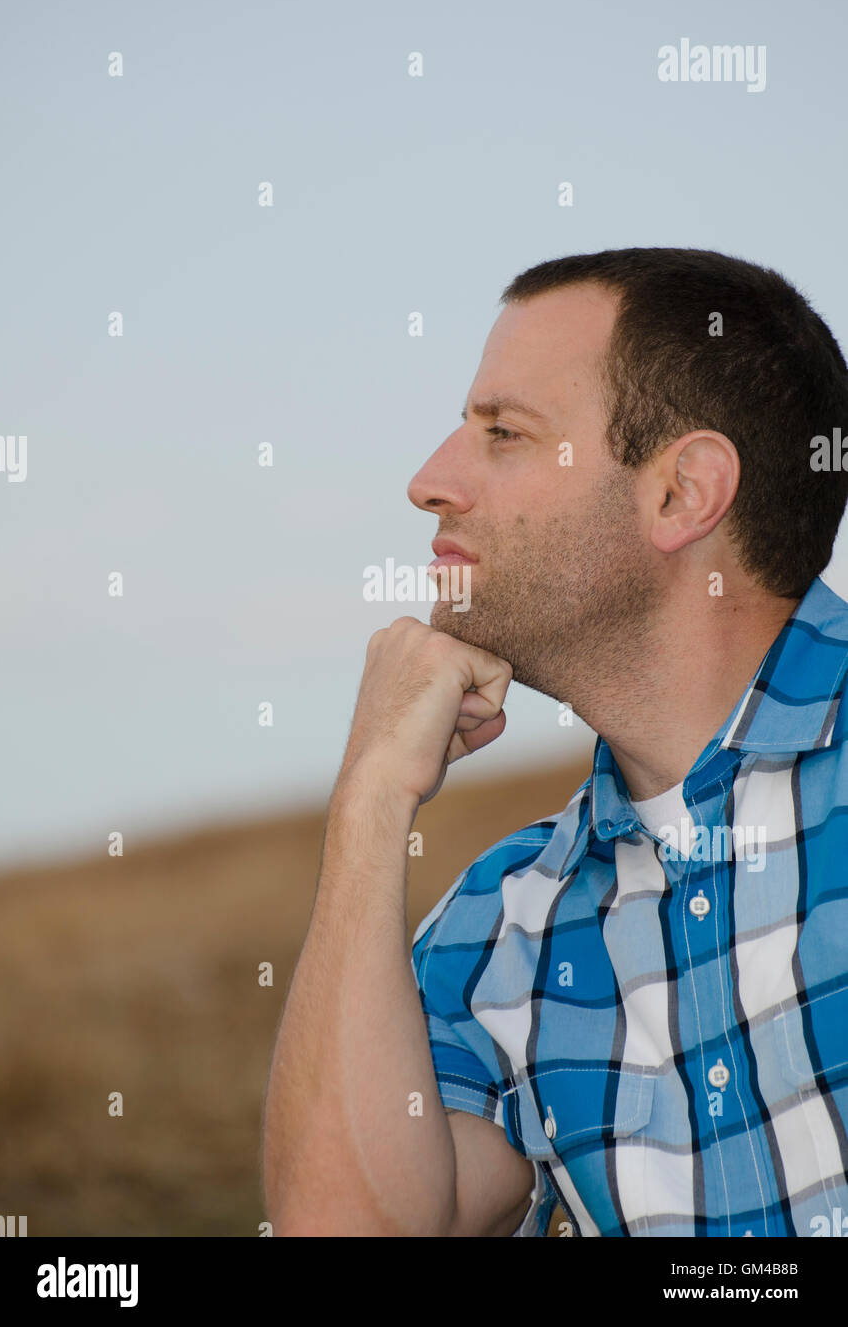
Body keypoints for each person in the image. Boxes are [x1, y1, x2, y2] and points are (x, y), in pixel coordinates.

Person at [263, 247, 848, 1236]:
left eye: (504, 433)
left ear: (682, 493)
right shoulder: (498, 930)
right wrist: (369, 802)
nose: (429, 482)